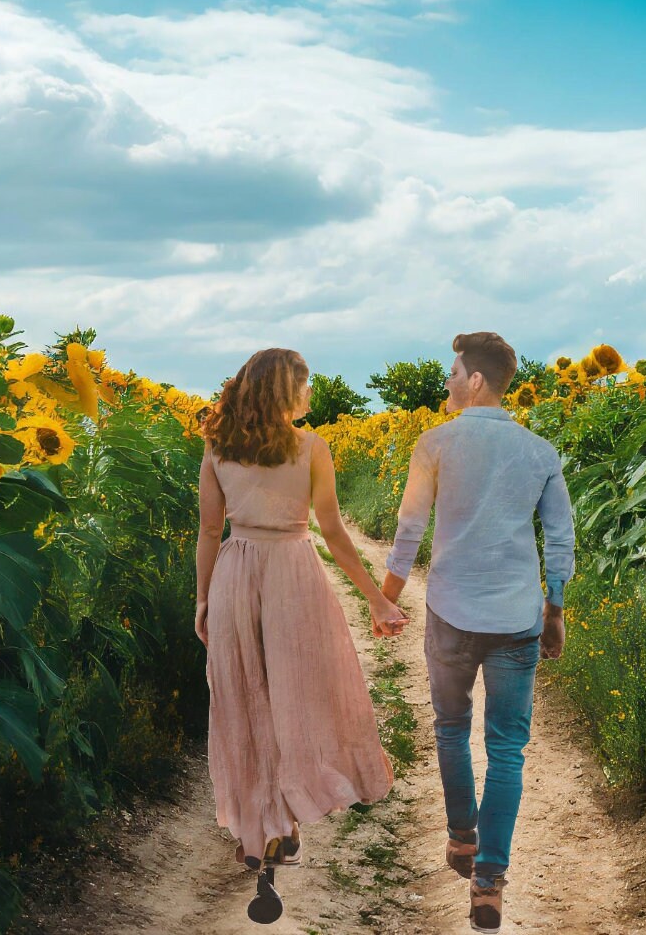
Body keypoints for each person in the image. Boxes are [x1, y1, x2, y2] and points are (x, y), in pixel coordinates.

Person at [381, 332, 574, 934]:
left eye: (452, 373)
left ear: (476, 381)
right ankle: (489, 880)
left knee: (449, 728)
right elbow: (561, 542)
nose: (446, 382)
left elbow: (410, 529)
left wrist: (383, 600)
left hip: (450, 612)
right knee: (508, 751)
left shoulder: (435, 443)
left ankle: (462, 839)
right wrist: (555, 609)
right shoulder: (540, 452)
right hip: (517, 619)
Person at [195, 348, 409, 881]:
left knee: (245, 697)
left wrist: (201, 599)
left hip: (236, 571)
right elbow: (332, 531)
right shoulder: (311, 447)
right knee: (295, 694)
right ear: (282, 390)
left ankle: (262, 828)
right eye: (304, 382)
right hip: (292, 569)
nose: (310, 391)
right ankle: (284, 821)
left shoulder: (217, 447)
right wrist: (375, 599)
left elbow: (208, 531)